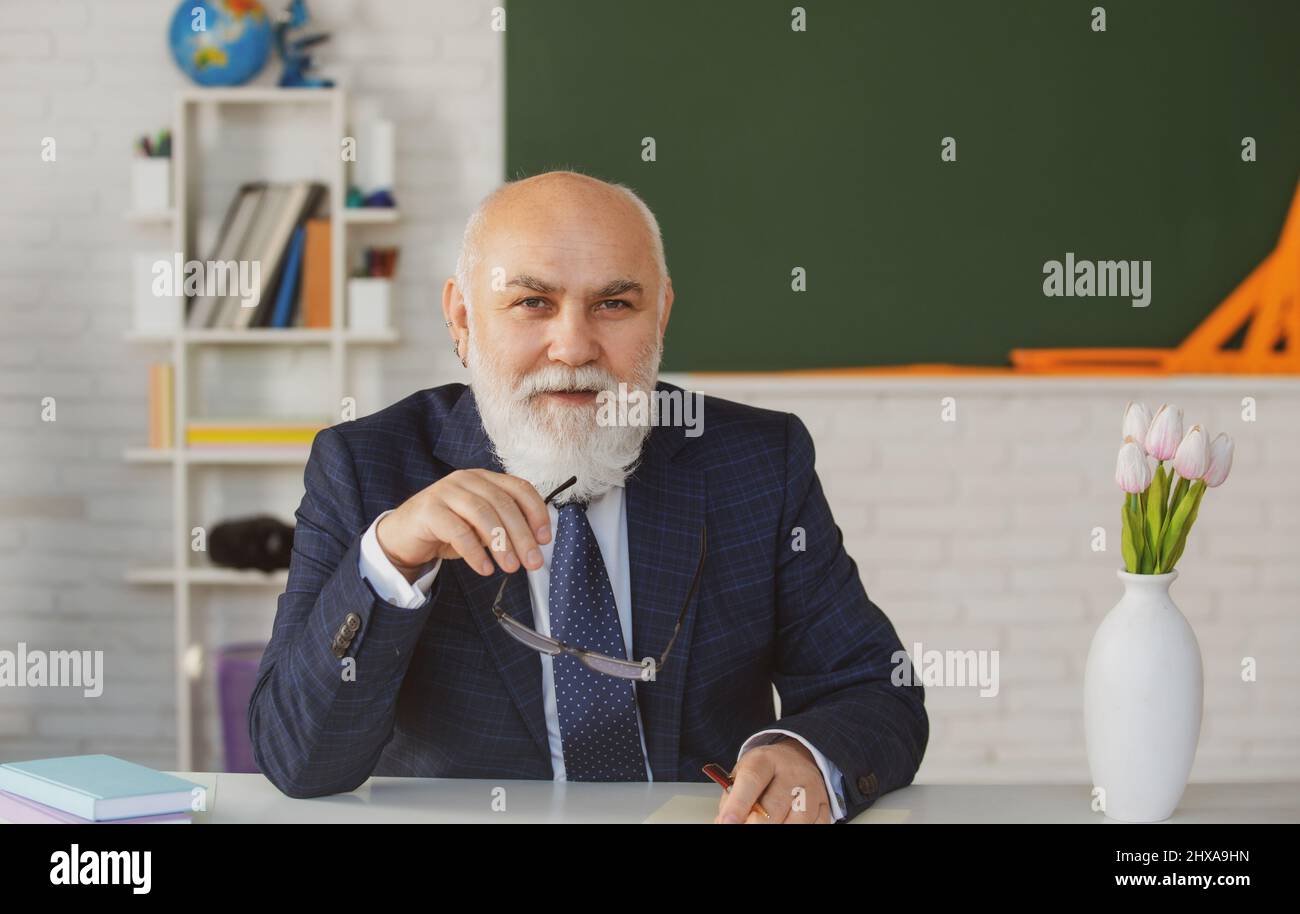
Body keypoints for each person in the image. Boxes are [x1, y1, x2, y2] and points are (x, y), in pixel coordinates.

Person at [249, 170, 928, 823]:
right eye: (532, 302)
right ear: (462, 317)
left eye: (614, 304)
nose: (573, 346)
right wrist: (392, 561)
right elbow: (300, 761)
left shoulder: (757, 460)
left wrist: (807, 760)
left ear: (659, 314)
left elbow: (874, 687)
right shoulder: (366, 467)